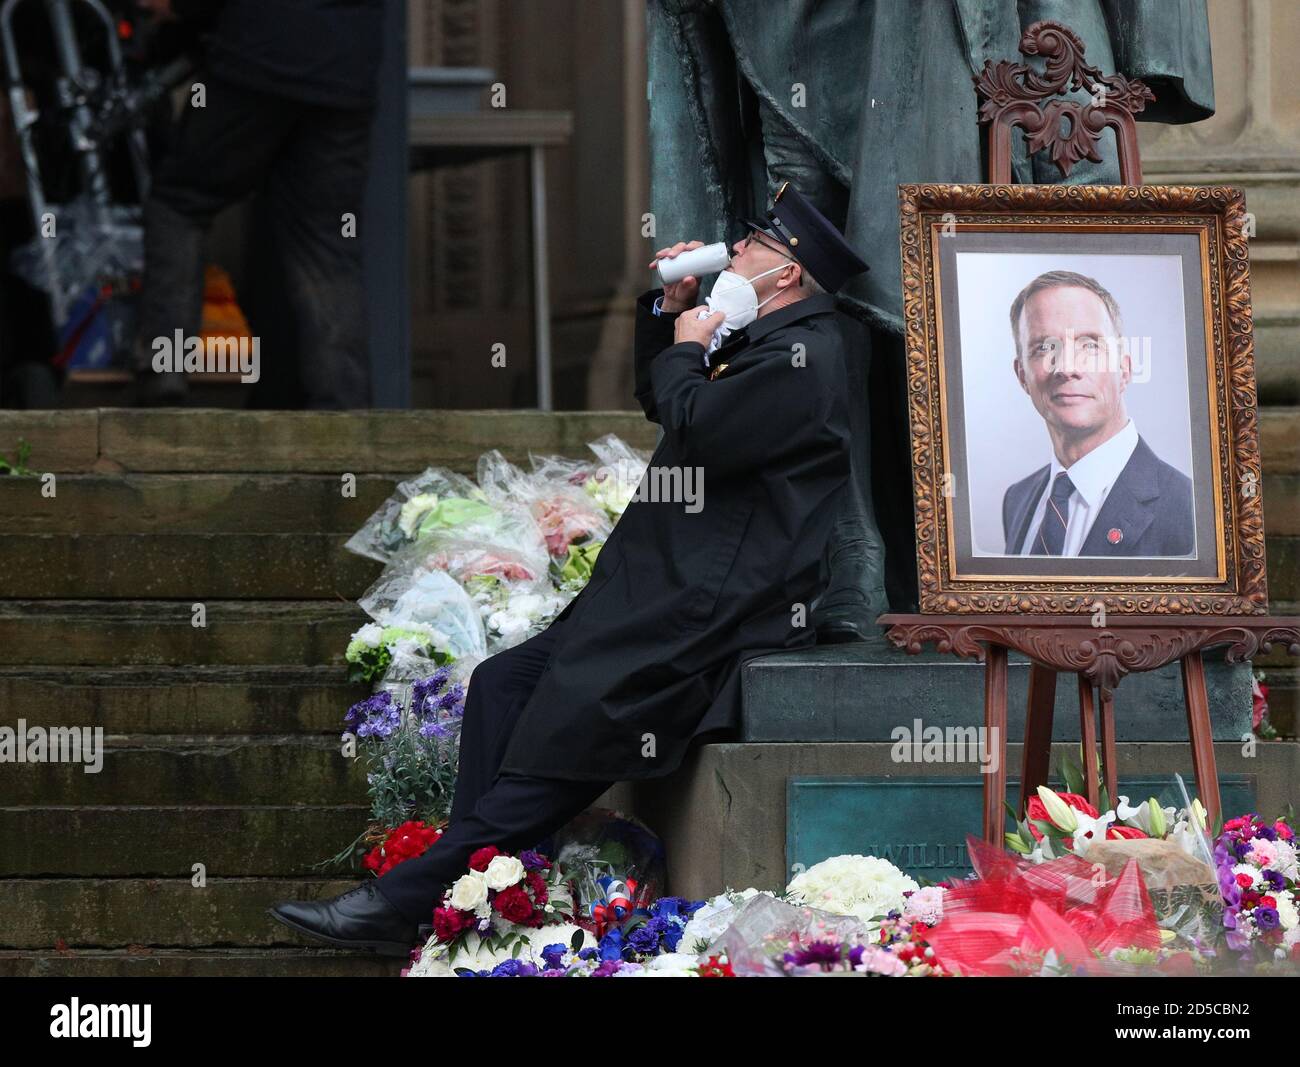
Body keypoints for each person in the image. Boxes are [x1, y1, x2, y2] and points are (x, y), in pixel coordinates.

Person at [269, 183, 869, 954]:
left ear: (786, 274)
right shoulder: (769, 335)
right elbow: (661, 399)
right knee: (501, 684)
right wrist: (670, 315)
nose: (739, 249)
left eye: (754, 242)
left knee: (565, 743)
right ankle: (479, 890)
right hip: (655, 580)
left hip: (703, 606)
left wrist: (693, 342)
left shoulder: (805, 352)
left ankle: (405, 901)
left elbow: (699, 425)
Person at [131, 0, 381, 407]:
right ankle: (346, 411)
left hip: (259, 54)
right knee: (327, 248)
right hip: (346, 74)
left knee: (178, 203)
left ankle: (165, 372)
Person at [1001, 270, 1194, 558]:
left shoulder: (1190, 507)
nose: (1066, 367)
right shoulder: (1016, 500)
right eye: (1044, 347)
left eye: (1089, 345)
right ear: (1021, 376)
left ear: (1125, 369)